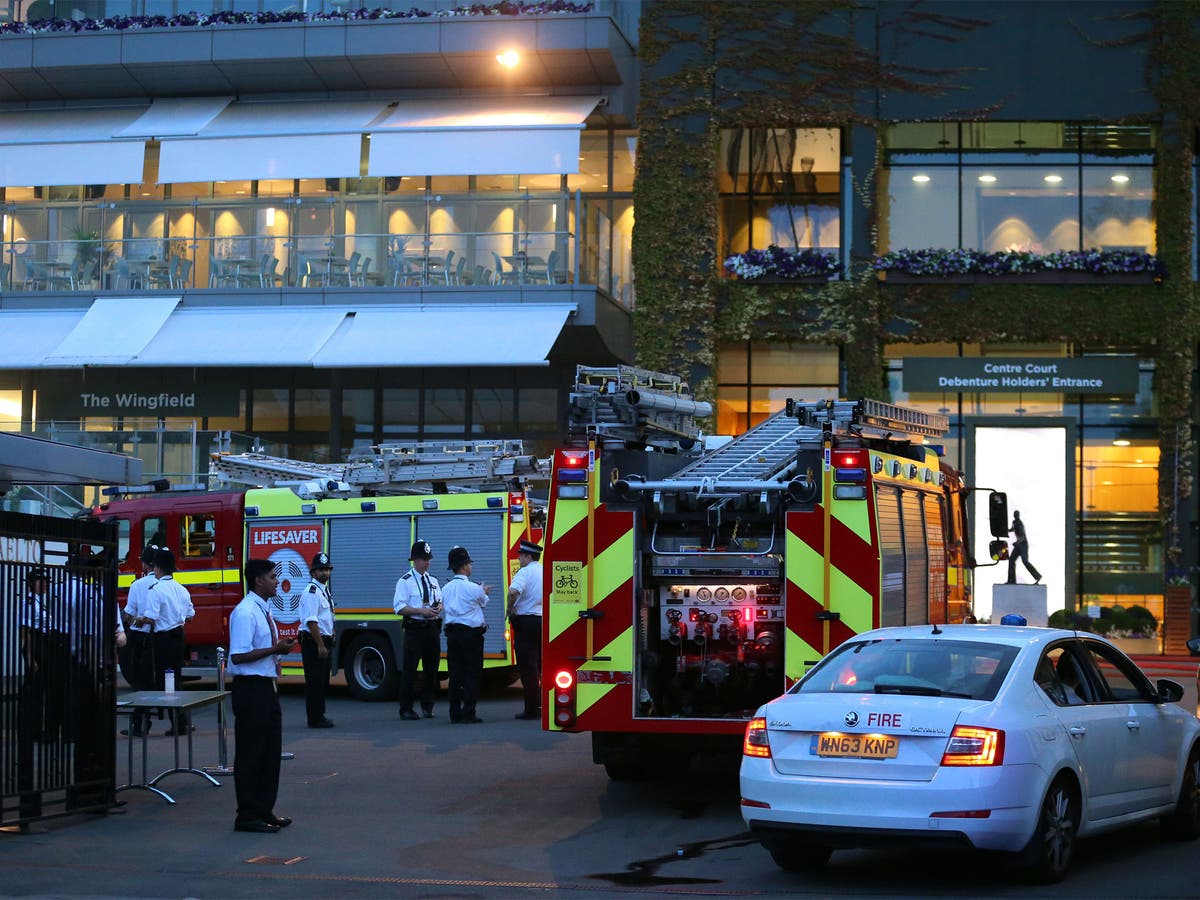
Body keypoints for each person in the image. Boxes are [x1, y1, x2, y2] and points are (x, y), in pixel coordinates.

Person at [227, 559, 295, 834]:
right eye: (272, 577)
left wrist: (277, 651)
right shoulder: (245, 612)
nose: (277, 581)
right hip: (250, 688)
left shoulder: (264, 609)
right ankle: (247, 815)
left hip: (266, 687)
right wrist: (274, 650)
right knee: (251, 753)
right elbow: (238, 656)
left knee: (270, 752)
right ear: (258, 580)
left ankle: (264, 809)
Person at [136, 547, 196, 735]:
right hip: (179, 637)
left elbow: (151, 617)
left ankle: (176, 723)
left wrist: (139, 619)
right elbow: (190, 616)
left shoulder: (156, 590)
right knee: (175, 678)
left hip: (163, 639)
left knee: (162, 681)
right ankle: (181, 722)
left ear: (157, 568)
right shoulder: (182, 589)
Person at [393, 539, 442, 721]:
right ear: (415, 560)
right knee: (410, 670)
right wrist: (421, 611)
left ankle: (428, 706)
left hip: (432, 628)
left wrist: (438, 608)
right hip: (415, 629)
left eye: (429, 559)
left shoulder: (433, 580)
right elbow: (399, 607)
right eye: (424, 559)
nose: (428, 562)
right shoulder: (405, 581)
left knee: (432, 669)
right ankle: (406, 709)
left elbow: (440, 600)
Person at [440, 546, 489, 725]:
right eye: (469, 563)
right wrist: (483, 590)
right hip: (472, 636)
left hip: (452, 635)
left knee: (455, 674)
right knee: (472, 674)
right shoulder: (474, 588)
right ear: (464, 566)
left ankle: (454, 713)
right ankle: (469, 713)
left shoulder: (445, 588)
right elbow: (484, 602)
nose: (471, 567)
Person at [121, 544, 159, 736]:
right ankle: (180, 721)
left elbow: (129, 614)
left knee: (139, 681)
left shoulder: (137, 585)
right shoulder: (168, 584)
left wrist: (133, 620)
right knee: (166, 680)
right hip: (161, 637)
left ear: (145, 564)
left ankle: (140, 724)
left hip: (140, 637)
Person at [298, 551, 336, 729]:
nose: (325, 573)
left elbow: (326, 617)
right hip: (314, 642)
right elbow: (311, 621)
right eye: (321, 570)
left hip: (323, 640)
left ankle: (319, 715)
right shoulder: (312, 592)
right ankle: (315, 718)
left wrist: (331, 634)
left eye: (327, 569)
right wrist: (320, 645)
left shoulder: (323, 590)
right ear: (313, 572)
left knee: (322, 681)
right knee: (315, 682)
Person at [507, 539, 543, 720]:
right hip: (542, 621)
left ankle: (531, 709)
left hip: (526, 622)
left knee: (528, 668)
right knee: (541, 665)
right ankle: (544, 704)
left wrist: (509, 608)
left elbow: (513, 592)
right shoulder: (544, 570)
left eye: (521, 555)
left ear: (528, 556)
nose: (519, 558)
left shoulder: (525, 572)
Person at [1006, 510, 1042, 585]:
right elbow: (1012, 529)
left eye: (1017, 514)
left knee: (1025, 561)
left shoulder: (1019, 523)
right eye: (1015, 514)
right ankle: (1011, 580)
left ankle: (1037, 576)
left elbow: (1022, 536)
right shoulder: (1014, 522)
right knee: (1011, 560)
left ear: (1018, 515)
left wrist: (1016, 542)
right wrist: (1006, 530)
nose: (1016, 516)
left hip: (1023, 545)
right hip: (1018, 545)